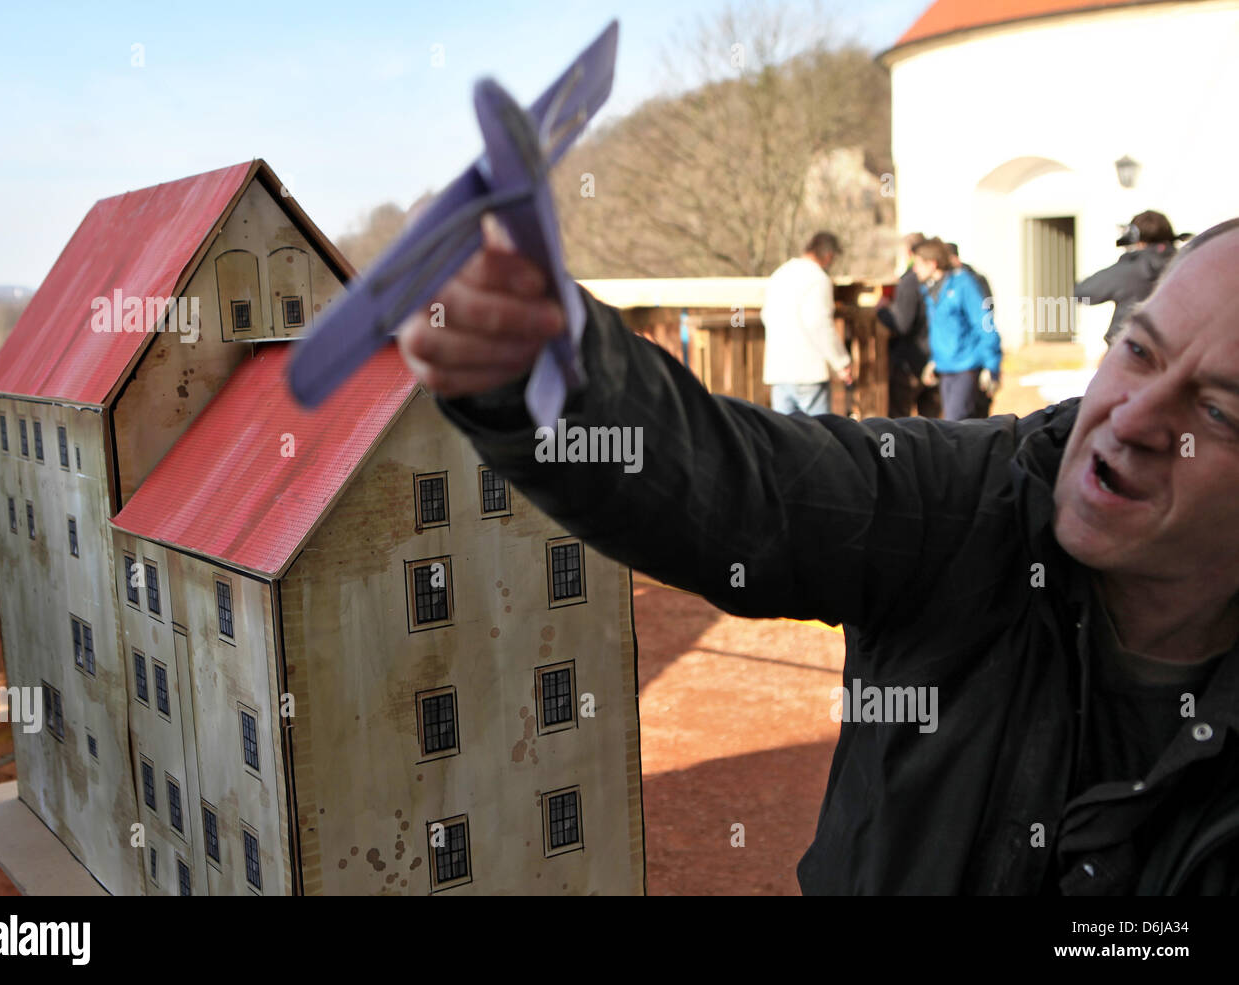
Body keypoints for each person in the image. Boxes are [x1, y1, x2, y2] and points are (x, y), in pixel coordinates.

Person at [399, 214, 1239, 895]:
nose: (1133, 419)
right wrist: (550, 372)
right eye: (1137, 350)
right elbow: (745, 484)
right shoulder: (968, 504)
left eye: (1219, 413)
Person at [759, 232, 853, 416]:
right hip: (808, 373)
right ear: (829, 256)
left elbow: (766, 315)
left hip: (778, 372)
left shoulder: (779, 274)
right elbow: (818, 322)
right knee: (818, 437)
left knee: (784, 437)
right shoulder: (818, 279)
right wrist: (841, 362)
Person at [911, 237, 1001, 421]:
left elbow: (984, 323)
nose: (914, 269)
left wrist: (991, 366)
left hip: (967, 366)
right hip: (946, 368)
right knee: (957, 426)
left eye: (918, 264)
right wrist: (934, 361)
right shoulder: (931, 291)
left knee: (955, 424)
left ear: (933, 263)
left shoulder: (963, 284)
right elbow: (943, 331)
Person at [1076, 210, 1178, 345]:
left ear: (1137, 240)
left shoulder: (1132, 268)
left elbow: (1083, 292)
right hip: (1176, 350)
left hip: (1131, 351)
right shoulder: (1186, 263)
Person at [878, 232, 939, 418]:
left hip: (911, 363)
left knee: (899, 424)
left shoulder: (910, 282)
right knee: (932, 424)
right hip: (935, 359)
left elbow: (902, 324)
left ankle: (894, 449)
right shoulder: (941, 280)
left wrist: (882, 312)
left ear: (909, 253)